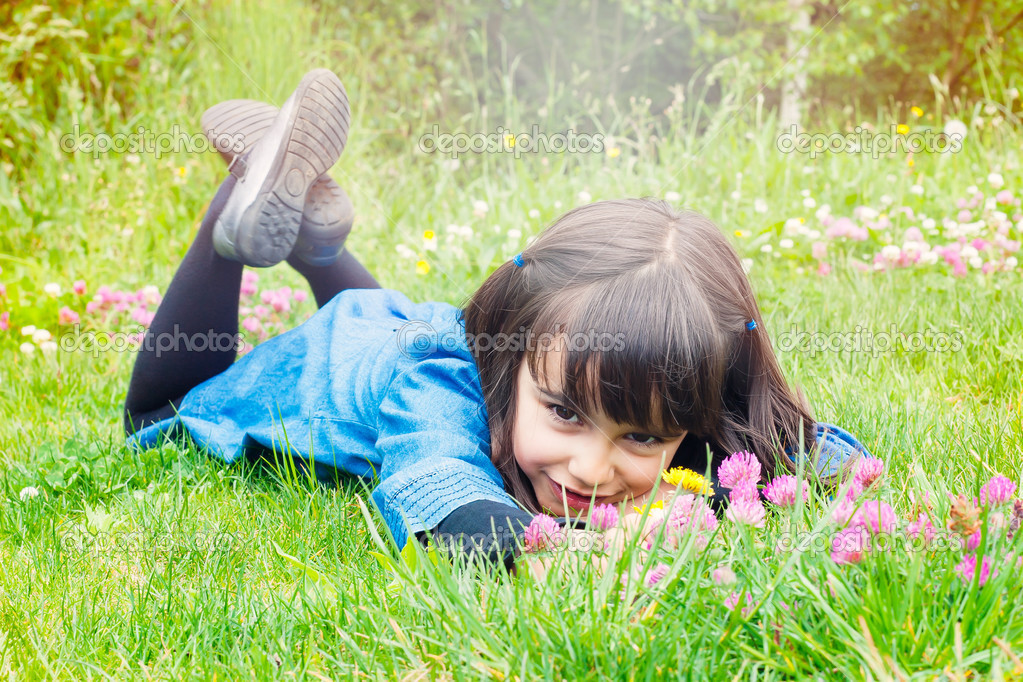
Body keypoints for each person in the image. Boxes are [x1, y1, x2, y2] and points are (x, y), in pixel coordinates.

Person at [124, 68, 872, 572]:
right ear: (511, 349)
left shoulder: (589, 368)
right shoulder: (443, 391)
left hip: (391, 330)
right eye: (564, 414)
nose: (588, 470)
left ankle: (319, 241)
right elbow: (444, 497)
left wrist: (823, 469)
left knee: (398, 338)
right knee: (157, 413)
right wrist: (597, 548)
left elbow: (810, 450)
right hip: (325, 364)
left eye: (640, 436)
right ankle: (233, 212)